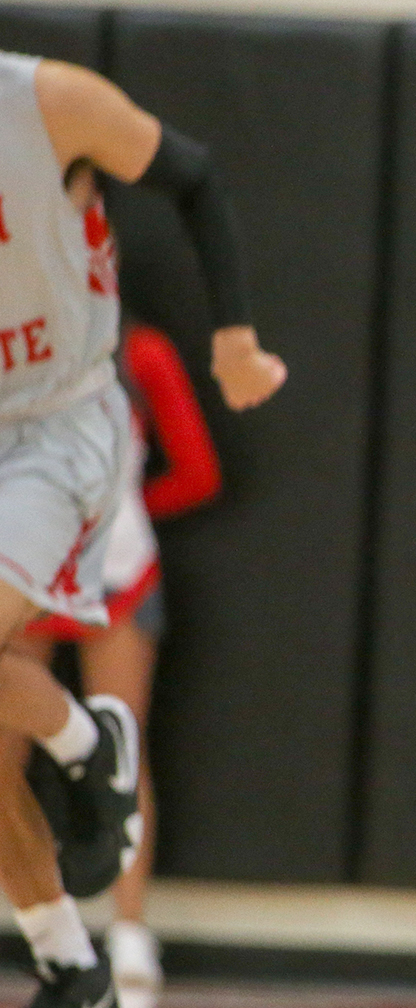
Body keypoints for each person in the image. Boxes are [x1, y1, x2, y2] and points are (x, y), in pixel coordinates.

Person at [0, 51, 283, 1007]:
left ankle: (90, 745)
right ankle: (68, 962)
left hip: (58, 427)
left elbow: (194, 174)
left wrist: (233, 336)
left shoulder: (48, 102)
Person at [11, 194, 221, 1008]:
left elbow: (197, 471)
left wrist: (104, 511)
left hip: (117, 569)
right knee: (7, 756)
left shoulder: (144, 355)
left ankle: (130, 934)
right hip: (22, 571)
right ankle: (54, 938)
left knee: (122, 748)